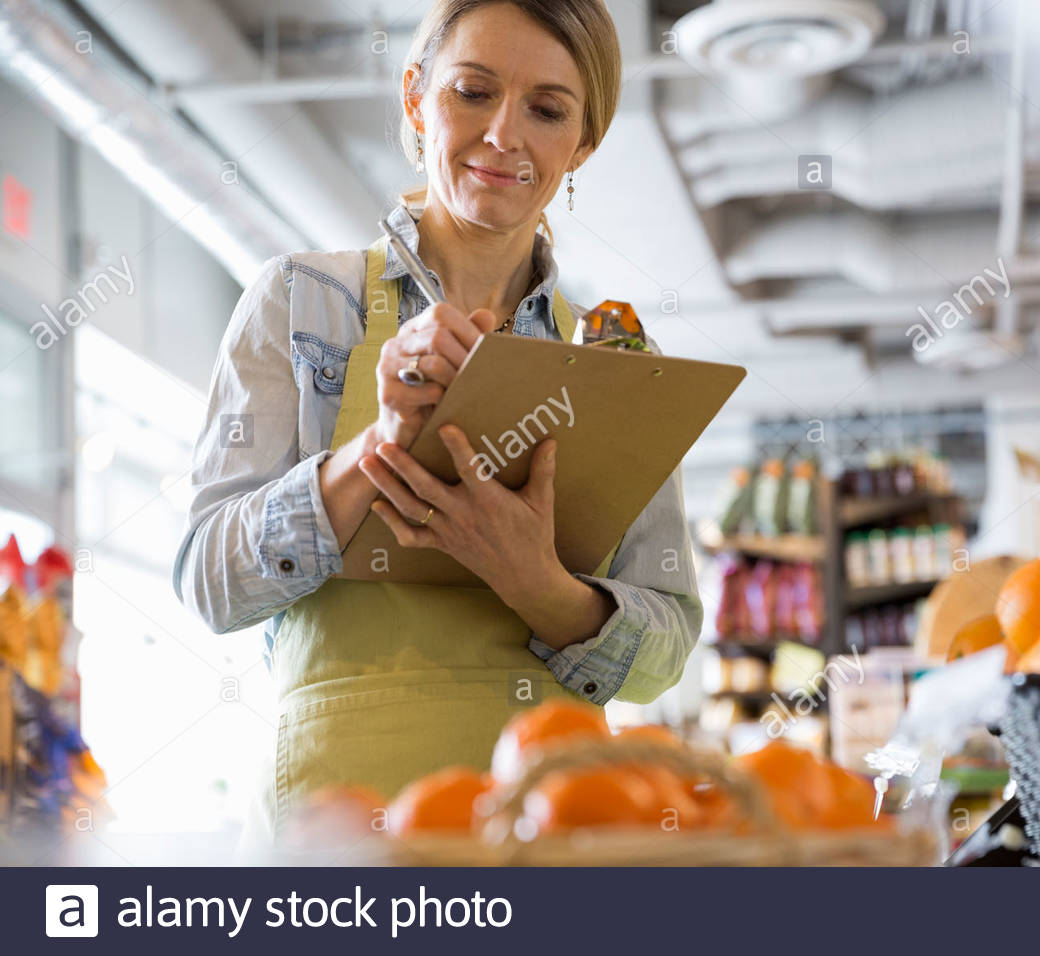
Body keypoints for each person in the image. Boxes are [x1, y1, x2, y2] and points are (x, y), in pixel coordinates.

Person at [172, 0, 702, 849]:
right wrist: (374, 446)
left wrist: (541, 586)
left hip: (551, 835)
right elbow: (209, 583)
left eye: (548, 109)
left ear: (585, 144)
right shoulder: (302, 306)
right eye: (472, 92)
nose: (503, 135)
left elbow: (667, 644)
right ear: (417, 97)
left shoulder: (616, 354)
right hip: (341, 842)